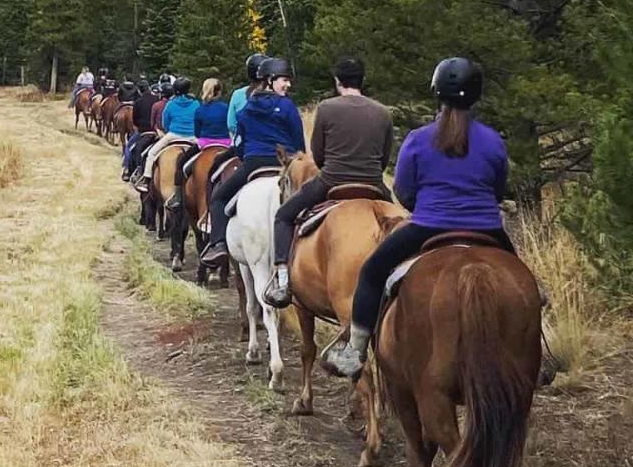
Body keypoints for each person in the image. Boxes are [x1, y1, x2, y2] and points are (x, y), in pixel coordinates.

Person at [322, 57, 516, 379]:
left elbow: (403, 190)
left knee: (372, 271)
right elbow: (497, 189)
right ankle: (540, 345)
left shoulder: (417, 139)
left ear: (436, 92)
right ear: (477, 94)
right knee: (526, 283)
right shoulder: (494, 140)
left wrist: (422, 205)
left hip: (427, 227)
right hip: (487, 229)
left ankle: (355, 349)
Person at [265, 57, 394, 309]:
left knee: (283, 215)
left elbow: (319, 153)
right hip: (374, 183)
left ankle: (282, 281)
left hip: (331, 180)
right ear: (362, 80)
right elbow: (385, 157)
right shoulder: (383, 112)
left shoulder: (326, 108)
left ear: (337, 82)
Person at [201, 58, 305, 267]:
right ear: (269, 80)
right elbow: (299, 142)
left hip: (254, 163)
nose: (288, 85)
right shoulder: (287, 106)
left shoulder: (246, 109)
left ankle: (218, 244)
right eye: (284, 80)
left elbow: (239, 145)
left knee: (218, 197)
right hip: (286, 165)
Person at [170, 78, 231, 208]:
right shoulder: (226, 108)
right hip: (226, 144)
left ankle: (178, 197)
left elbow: (197, 133)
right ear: (219, 92)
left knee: (181, 162)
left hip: (204, 144)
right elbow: (230, 126)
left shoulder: (200, 110)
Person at [133, 76, 199, 196]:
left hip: (173, 135)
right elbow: (198, 120)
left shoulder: (171, 104)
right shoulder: (196, 104)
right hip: (192, 137)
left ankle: (146, 180)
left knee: (151, 153)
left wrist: (171, 130)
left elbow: (165, 123)